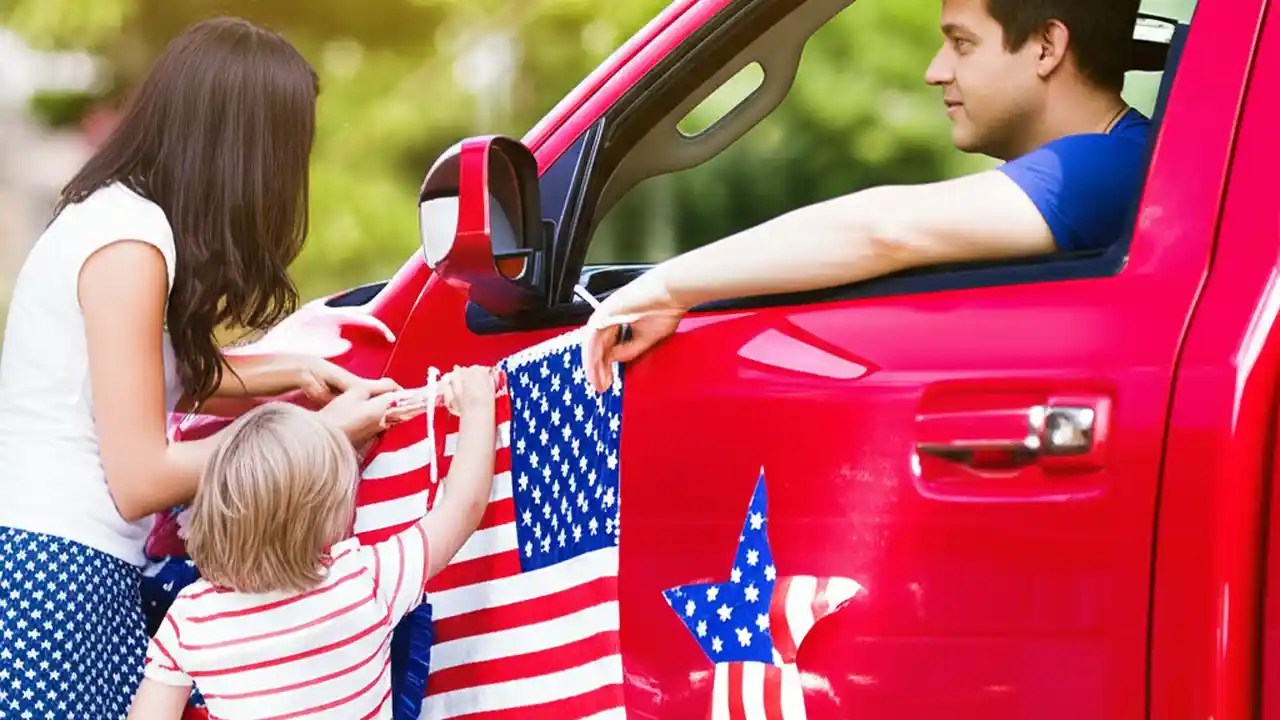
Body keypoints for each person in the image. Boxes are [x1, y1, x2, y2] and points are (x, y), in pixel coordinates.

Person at [0, 17, 406, 719]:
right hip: (57, 573)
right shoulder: (129, 244)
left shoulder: (117, 216)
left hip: (61, 565)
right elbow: (142, 477)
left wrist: (296, 370)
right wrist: (316, 437)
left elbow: (150, 379)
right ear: (241, 147)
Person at [582, 0, 1148, 393]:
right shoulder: (1115, 160)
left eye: (961, 44)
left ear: (1047, 46)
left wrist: (667, 286)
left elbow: (883, 231)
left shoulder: (1103, 168)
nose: (935, 71)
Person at [126, 366, 499, 719]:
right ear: (325, 515)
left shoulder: (191, 617)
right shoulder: (363, 580)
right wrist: (479, 405)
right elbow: (461, 507)